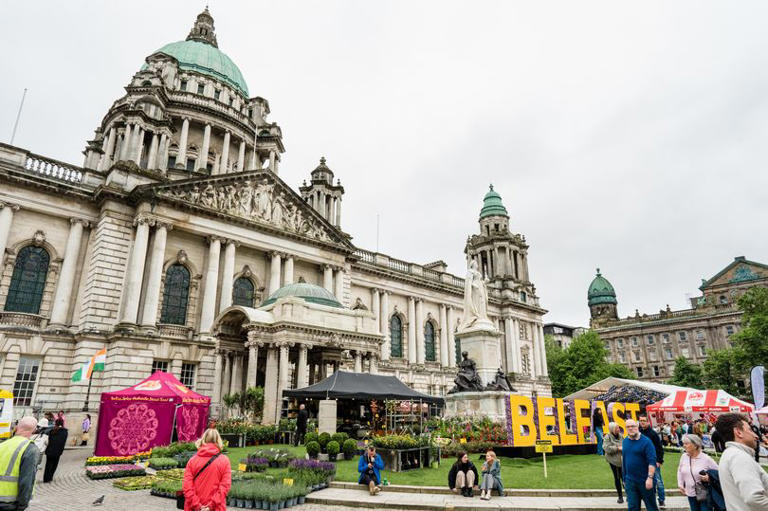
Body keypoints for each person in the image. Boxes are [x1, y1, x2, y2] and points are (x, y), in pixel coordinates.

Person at [715, 413, 768, 511]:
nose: (756, 436)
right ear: (738, 432)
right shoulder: (739, 457)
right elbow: (753, 497)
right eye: (750, 430)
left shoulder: (730, 454)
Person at [182, 428, 232, 511]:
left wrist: (197, 505)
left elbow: (187, 487)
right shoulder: (224, 461)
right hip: (216, 508)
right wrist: (210, 506)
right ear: (218, 440)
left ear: (203, 439)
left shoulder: (192, 460)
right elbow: (224, 487)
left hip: (194, 508)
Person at [0, 416, 40, 511]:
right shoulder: (30, 449)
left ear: (16, 427)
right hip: (10, 503)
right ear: (34, 431)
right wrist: (23, 505)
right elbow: (27, 480)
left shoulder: (2, 445)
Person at [622, 419, 658, 511]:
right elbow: (624, 461)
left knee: (651, 507)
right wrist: (624, 478)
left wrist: (650, 478)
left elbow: (652, 461)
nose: (630, 428)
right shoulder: (625, 441)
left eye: (633, 426)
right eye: (628, 427)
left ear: (637, 427)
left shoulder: (646, 442)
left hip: (645, 481)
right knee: (632, 507)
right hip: (630, 481)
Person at [677, 434, 718, 511]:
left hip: (704, 493)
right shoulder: (684, 457)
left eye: (686, 443)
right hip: (690, 493)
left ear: (695, 446)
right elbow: (680, 470)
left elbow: (718, 473)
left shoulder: (706, 459)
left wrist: (709, 478)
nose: (684, 446)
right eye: (683, 443)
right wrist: (680, 484)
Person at [639, 415, 665, 508]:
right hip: (643, 462)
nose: (642, 422)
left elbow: (659, 448)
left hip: (654, 461)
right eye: (640, 421)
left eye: (644, 421)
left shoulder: (653, 433)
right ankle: (651, 499)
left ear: (648, 422)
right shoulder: (639, 432)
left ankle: (661, 500)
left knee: (658, 481)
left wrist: (659, 461)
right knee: (647, 481)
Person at [604, 422, 624, 503]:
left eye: (618, 428)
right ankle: (620, 496)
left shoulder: (621, 436)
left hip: (622, 460)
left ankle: (630, 495)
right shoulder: (607, 437)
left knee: (625, 478)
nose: (618, 429)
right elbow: (606, 448)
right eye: (616, 428)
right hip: (613, 461)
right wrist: (617, 448)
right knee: (617, 477)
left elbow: (625, 444)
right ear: (612, 429)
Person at [43, 419, 68, 483]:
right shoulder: (65, 432)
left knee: (48, 465)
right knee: (54, 465)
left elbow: (48, 439)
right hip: (58, 451)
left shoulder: (52, 431)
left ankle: (46, 478)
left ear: (55, 423)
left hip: (50, 450)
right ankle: (50, 477)